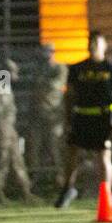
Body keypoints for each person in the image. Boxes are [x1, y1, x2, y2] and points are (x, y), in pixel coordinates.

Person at [55, 32, 112, 208]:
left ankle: (105, 195)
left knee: (103, 157)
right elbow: (69, 96)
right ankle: (68, 189)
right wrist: (67, 120)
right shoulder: (77, 69)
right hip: (81, 116)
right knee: (72, 155)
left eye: (97, 42)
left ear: (105, 45)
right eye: (91, 41)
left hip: (102, 118)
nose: (93, 44)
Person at [26, 43, 69, 185]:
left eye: (47, 52)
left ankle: (61, 180)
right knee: (33, 147)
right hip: (37, 114)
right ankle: (33, 180)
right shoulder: (38, 68)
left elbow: (55, 85)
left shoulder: (60, 68)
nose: (45, 55)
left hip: (54, 114)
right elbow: (32, 86)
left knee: (54, 147)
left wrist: (41, 84)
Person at [0, 59, 34, 203]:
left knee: (18, 159)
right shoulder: (0, 85)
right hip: (4, 128)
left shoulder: (4, 86)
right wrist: (3, 127)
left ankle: (26, 191)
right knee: (3, 161)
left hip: (10, 128)